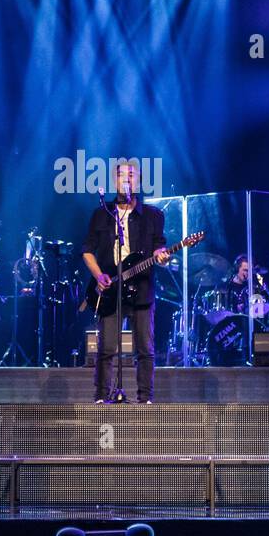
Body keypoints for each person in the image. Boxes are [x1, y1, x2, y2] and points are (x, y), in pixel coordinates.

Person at [81, 161, 170, 403]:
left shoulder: (153, 215)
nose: (127, 179)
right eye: (122, 175)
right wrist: (99, 275)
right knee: (107, 348)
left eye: (132, 175)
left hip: (141, 289)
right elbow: (87, 250)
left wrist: (161, 257)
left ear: (138, 181)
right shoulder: (102, 214)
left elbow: (158, 248)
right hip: (111, 290)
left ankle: (145, 399)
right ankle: (101, 397)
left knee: (145, 349)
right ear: (114, 181)